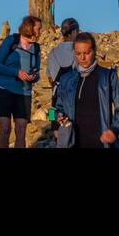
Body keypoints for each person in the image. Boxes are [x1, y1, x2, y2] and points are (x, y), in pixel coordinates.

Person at [53, 32, 119, 148]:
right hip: (73, 142)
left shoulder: (108, 76)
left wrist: (114, 130)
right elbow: (53, 109)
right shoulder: (65, 79)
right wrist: (56, 119)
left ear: (94, 51)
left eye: (86, 53)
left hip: (101, 143)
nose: (82, 58)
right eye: (78, 54)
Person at [0, 15, 42, 148]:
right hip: (3, 89)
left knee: (21, 130)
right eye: (38, 28)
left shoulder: (36, 48)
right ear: (30, 28)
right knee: (5, 128)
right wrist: (16, 72)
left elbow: (37, 71)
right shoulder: (11, 41)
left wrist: (34, 76)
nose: (40, 31)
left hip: (24, 93)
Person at [45, 17, 80, 146]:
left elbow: (49, 78)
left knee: (53, 114)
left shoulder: (53, 52)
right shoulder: (78, 51)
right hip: (72, 93)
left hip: (56, 92)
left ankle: (56, 140)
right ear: (74, 32)